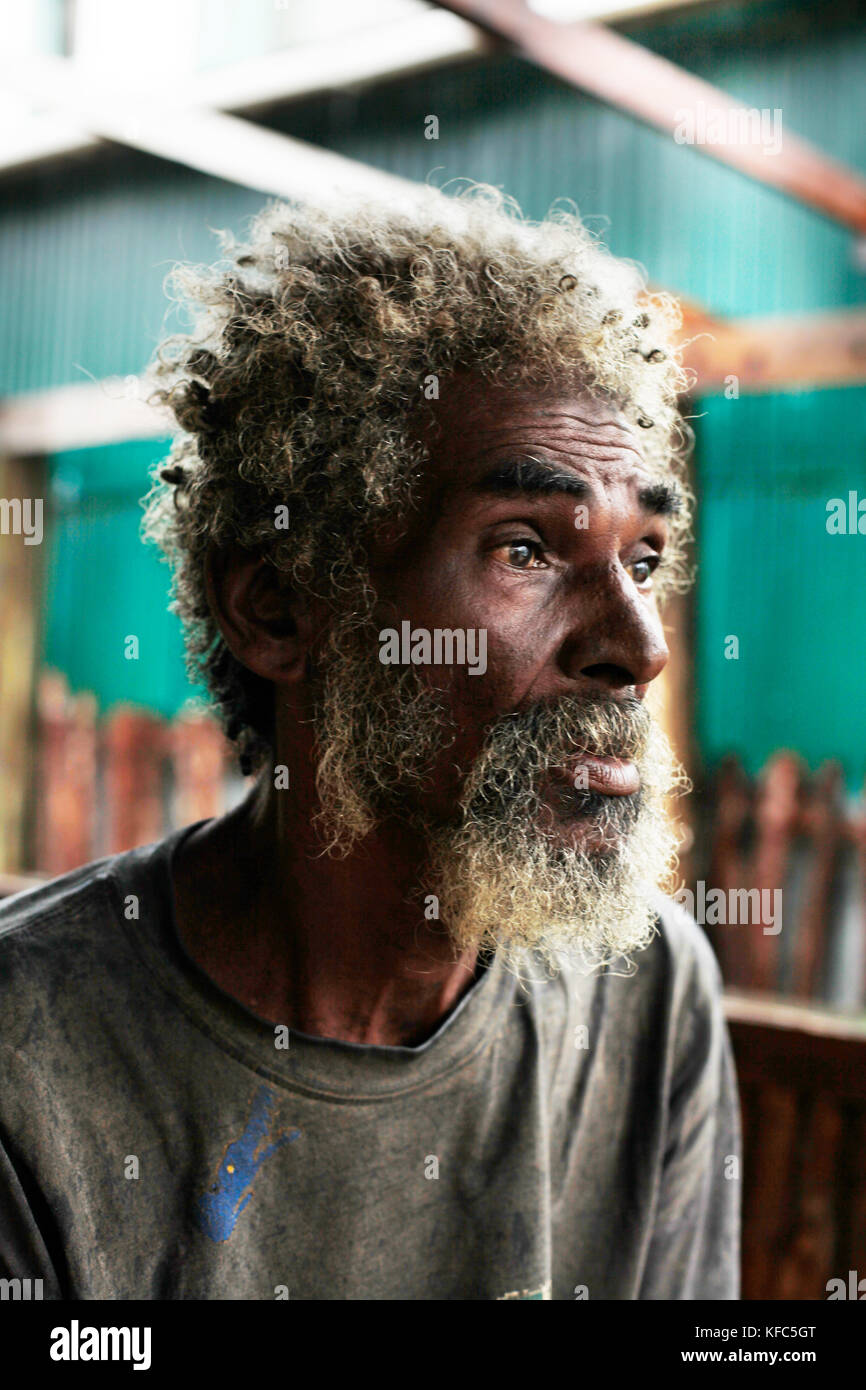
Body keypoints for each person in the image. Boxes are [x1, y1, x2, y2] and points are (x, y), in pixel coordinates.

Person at [0, 184, 740, 1300]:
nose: (637, 648)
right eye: (526, 550)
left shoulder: (643, 994)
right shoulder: (29, 1056)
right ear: (281, 608)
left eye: (639, 559)